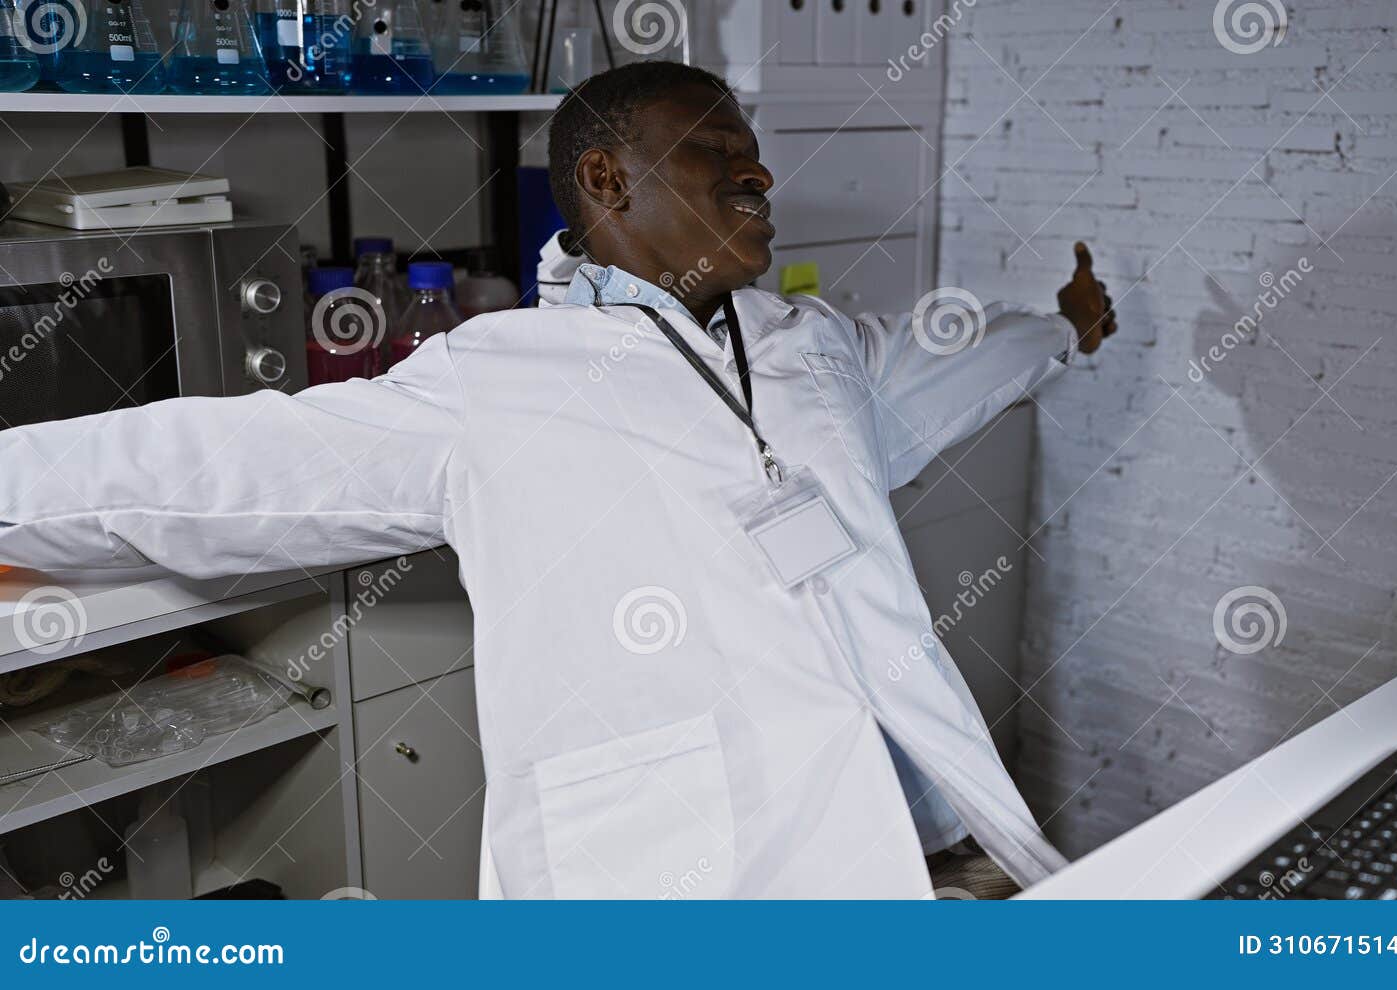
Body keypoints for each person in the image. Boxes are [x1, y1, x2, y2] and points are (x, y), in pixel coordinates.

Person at [0, 61, 1117, 898]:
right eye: (717, 152)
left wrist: (1055, 329)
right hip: (669, 863)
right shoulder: (496, 379)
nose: (759, 172)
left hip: (880, 821)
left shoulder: (802, 342)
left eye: (754, 150)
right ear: (605, 180)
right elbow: (222, 466)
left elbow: (930, 367)